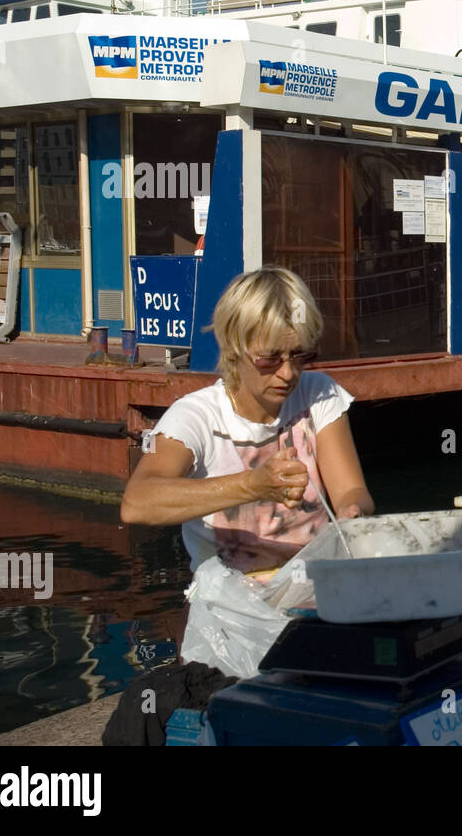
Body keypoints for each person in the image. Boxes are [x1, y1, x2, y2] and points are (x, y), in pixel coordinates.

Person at [121, 268, 374, 665]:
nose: (288, 373)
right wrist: (255, 485)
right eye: (270, 359)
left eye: (299, 356)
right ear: (234, 347)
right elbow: (137, 503)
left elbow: (351, 492)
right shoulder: (195, 417)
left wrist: (352, 514)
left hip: (317, 598)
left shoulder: (320, 394)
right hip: (229, 614)